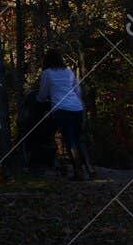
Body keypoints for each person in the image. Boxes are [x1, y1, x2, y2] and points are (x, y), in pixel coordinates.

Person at [37, 49, 95, 179]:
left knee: (70, 140)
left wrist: (40, 101)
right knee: (79, 139)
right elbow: (77, 91)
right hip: (77, 108)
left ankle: (78, 172)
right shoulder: (69, 71)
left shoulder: (47, 73)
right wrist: (80, 105)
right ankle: (90, 169)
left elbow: (42, 95)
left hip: (62, 109)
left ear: (46, 61)